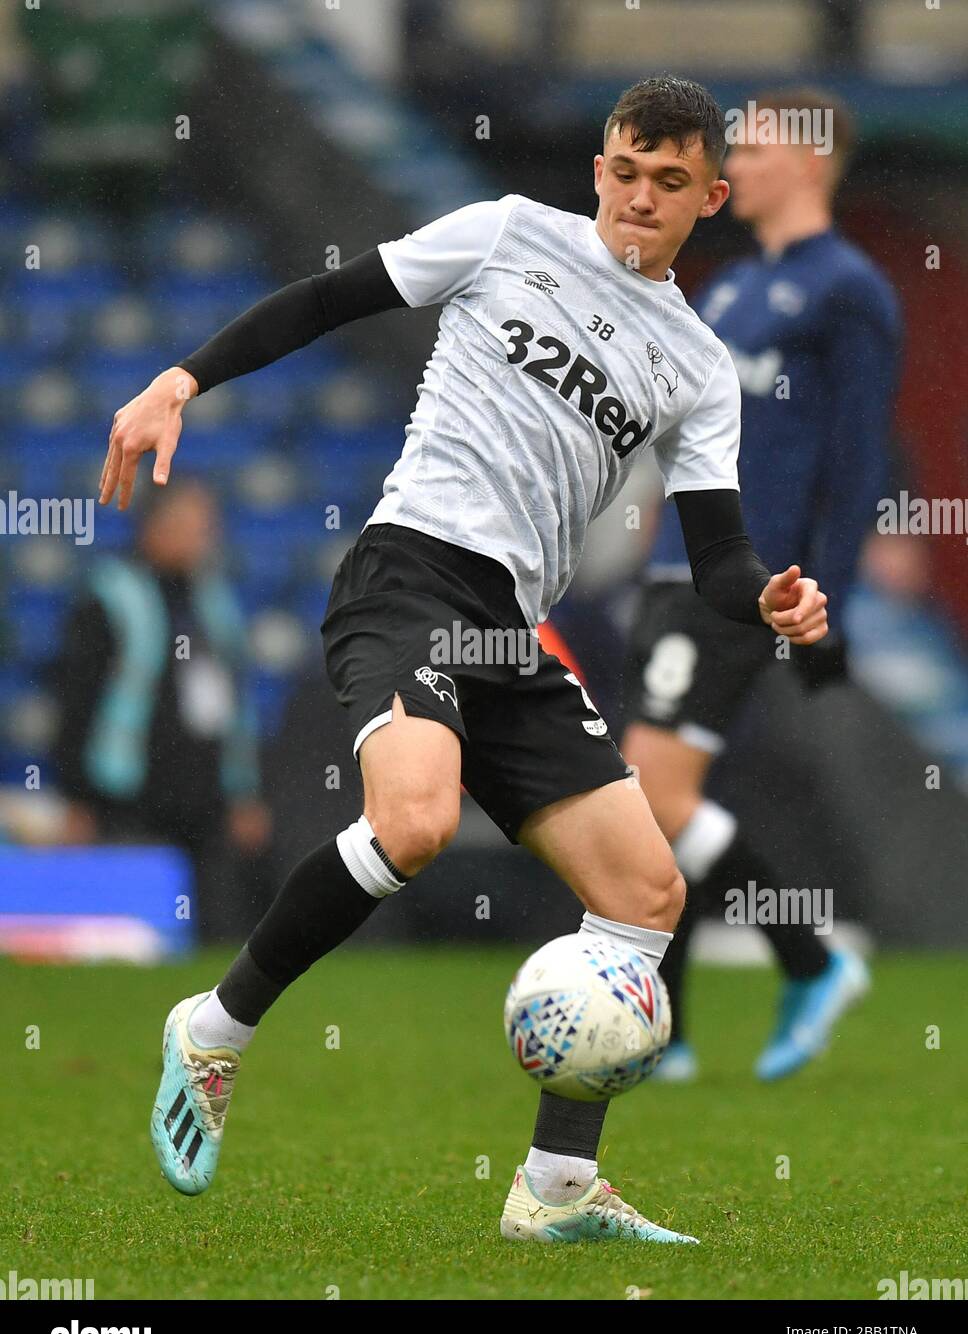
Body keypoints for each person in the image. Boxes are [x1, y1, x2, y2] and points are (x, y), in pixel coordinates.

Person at [99, 77, 829, 1244]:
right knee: (417, 820)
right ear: (598, 168)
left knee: (645, 893)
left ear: (710, 196)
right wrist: (181, 378)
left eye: (668, 182)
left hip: (511, 632)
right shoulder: (504, 233)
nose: (639, 198)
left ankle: (553, 1192)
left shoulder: (695, 364)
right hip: (409, 575)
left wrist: (772, 597)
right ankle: (216, 1026)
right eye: (623, 172)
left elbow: (718, 555)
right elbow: (328, 299)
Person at [619, 88, 902, 1083]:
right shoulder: (732, 288)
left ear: (813, 160)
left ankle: (809, 959)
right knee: (665, 799)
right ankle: (676, 1033)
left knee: (649, 790)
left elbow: (857, 459)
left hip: (747, 574)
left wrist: (827, 605)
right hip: (675, 563)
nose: (735, 155)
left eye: (757, 141)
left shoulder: (847, 290)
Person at [52, 477, 273, 944]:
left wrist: (244, 792)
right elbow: (75, 700)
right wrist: (76, 797)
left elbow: (236, 703)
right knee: (135, 936)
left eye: (206, 527)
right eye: (190, 525)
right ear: (152, 527)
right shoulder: (109, 597)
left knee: (220, 937)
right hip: (128, 796)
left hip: (207, 799)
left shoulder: (213, 600)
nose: (203, 538)